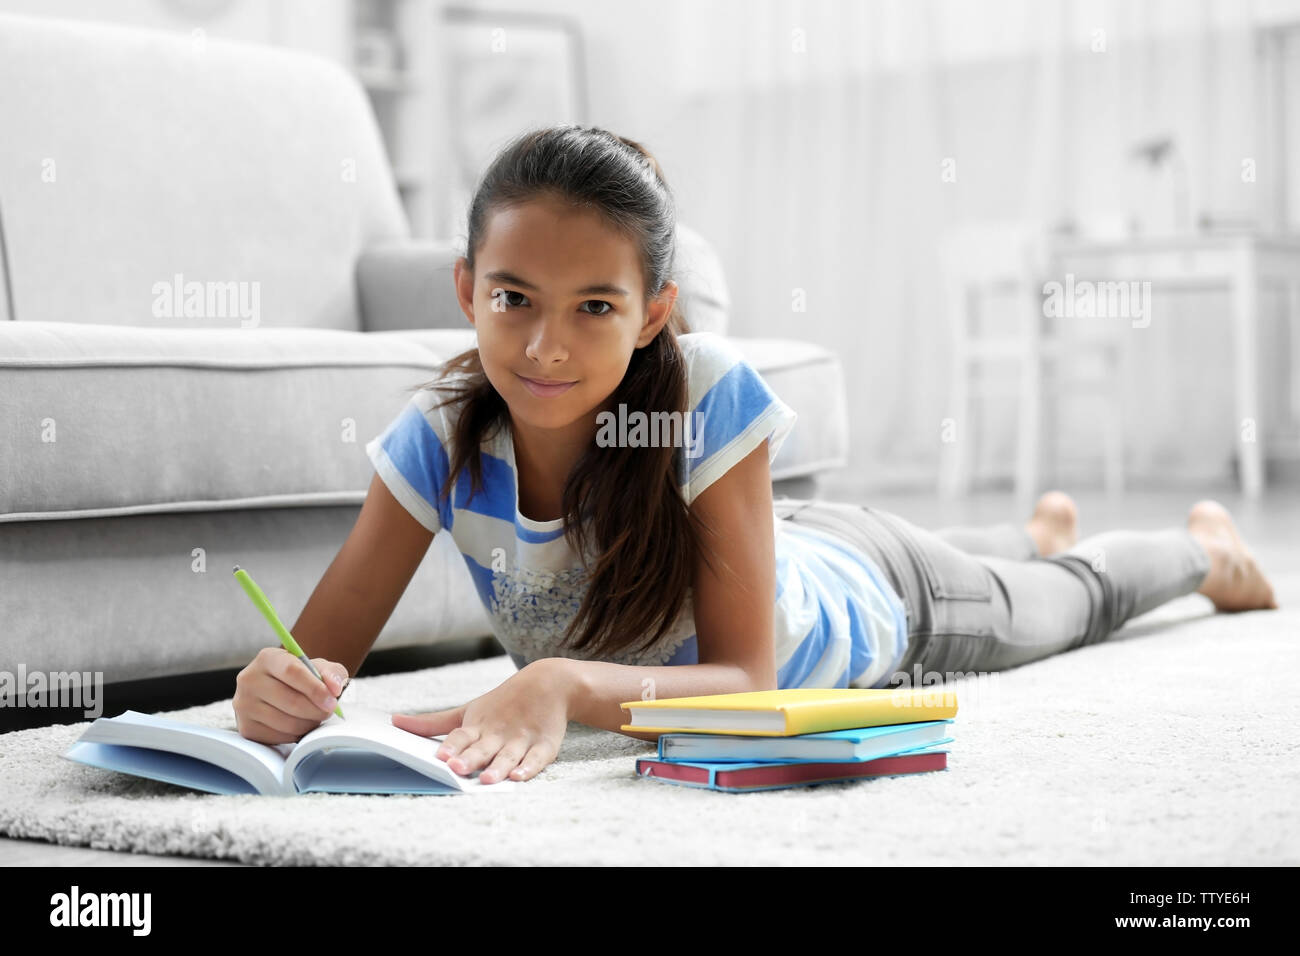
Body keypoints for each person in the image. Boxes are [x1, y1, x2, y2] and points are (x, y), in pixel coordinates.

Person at [231, 125, 1279, 785]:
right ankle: (1026, 529)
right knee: (980, 553)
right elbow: (317, 657)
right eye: (513, 299)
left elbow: (746, 676)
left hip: (874, 596)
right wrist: (273, 687)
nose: (546, 344)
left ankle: (1198, 546)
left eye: (595, 305)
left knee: (1063, 601)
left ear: (653, 314)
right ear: (466, 289)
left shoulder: (707, 394)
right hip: (784, 546)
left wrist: (558, 682)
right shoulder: (437, 438)